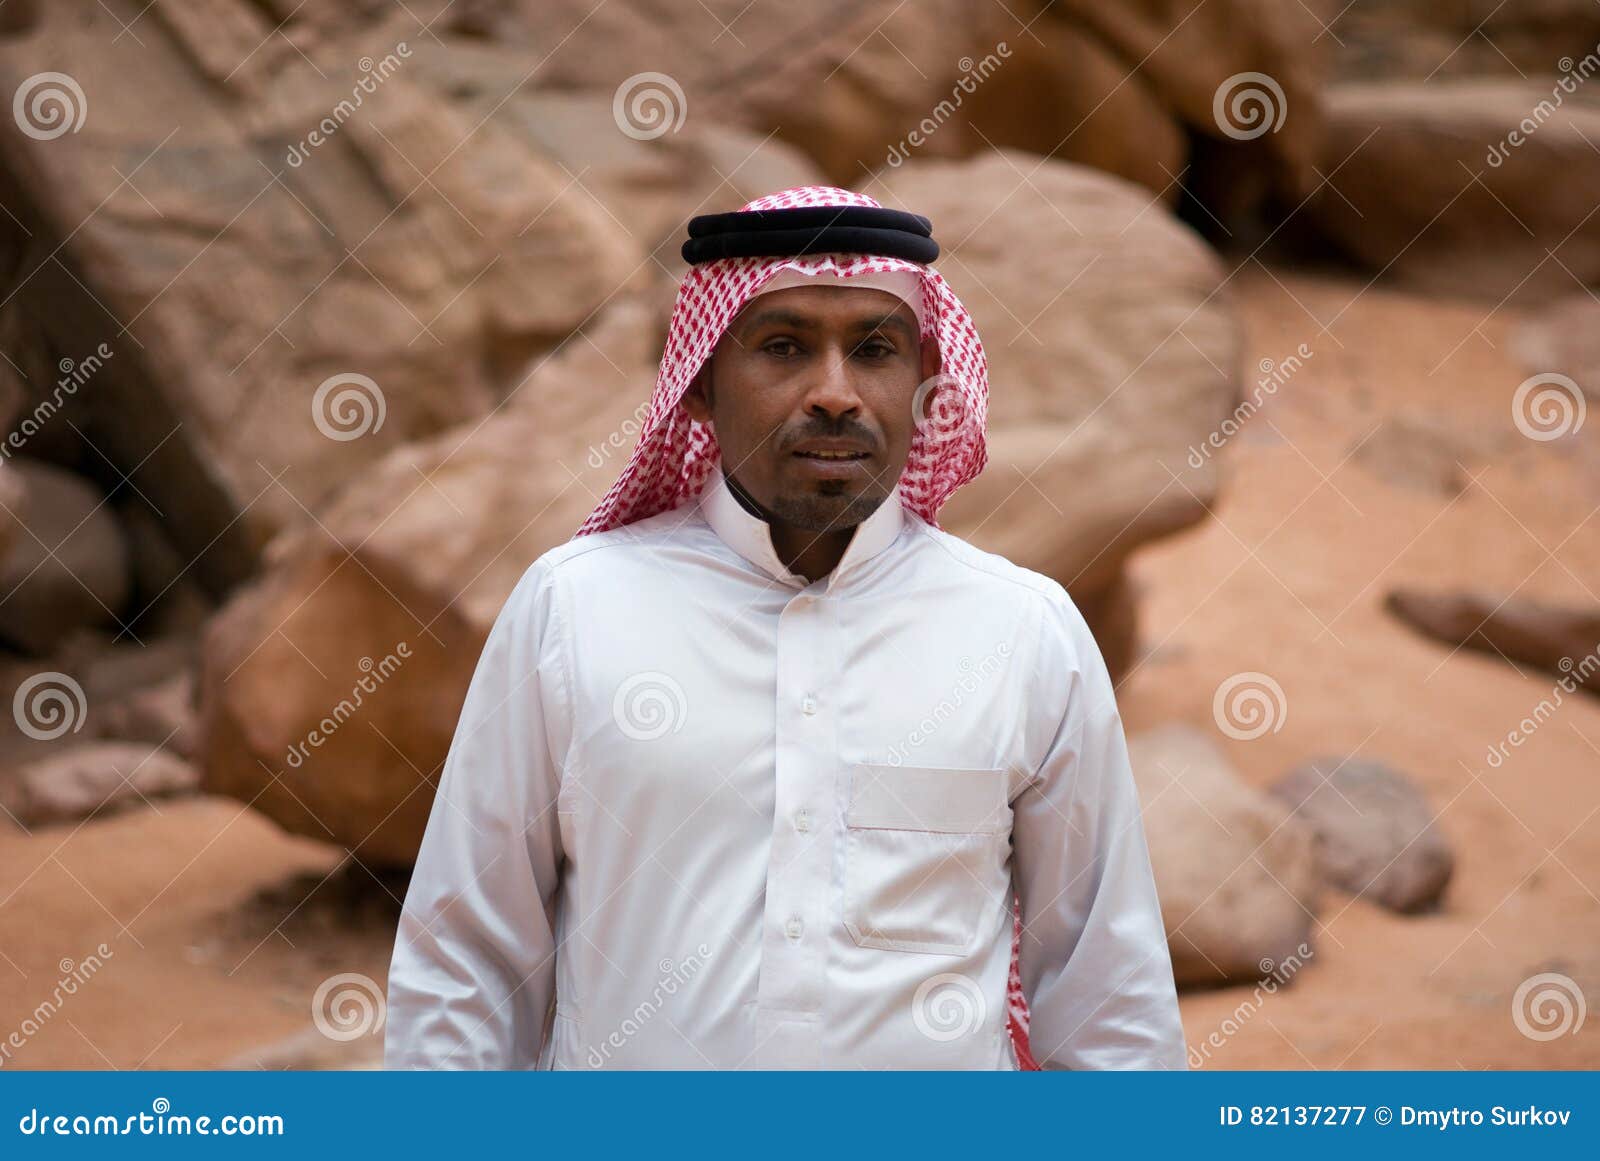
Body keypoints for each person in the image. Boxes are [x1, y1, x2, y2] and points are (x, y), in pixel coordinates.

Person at [384, 185, 1185, 1069]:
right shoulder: (572, 612)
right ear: (697, 383)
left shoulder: (1025, 634)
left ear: (924, 385)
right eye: (783, 346)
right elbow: (467, 962)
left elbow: (1107, 992)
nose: (835, 393)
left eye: (875, 350)